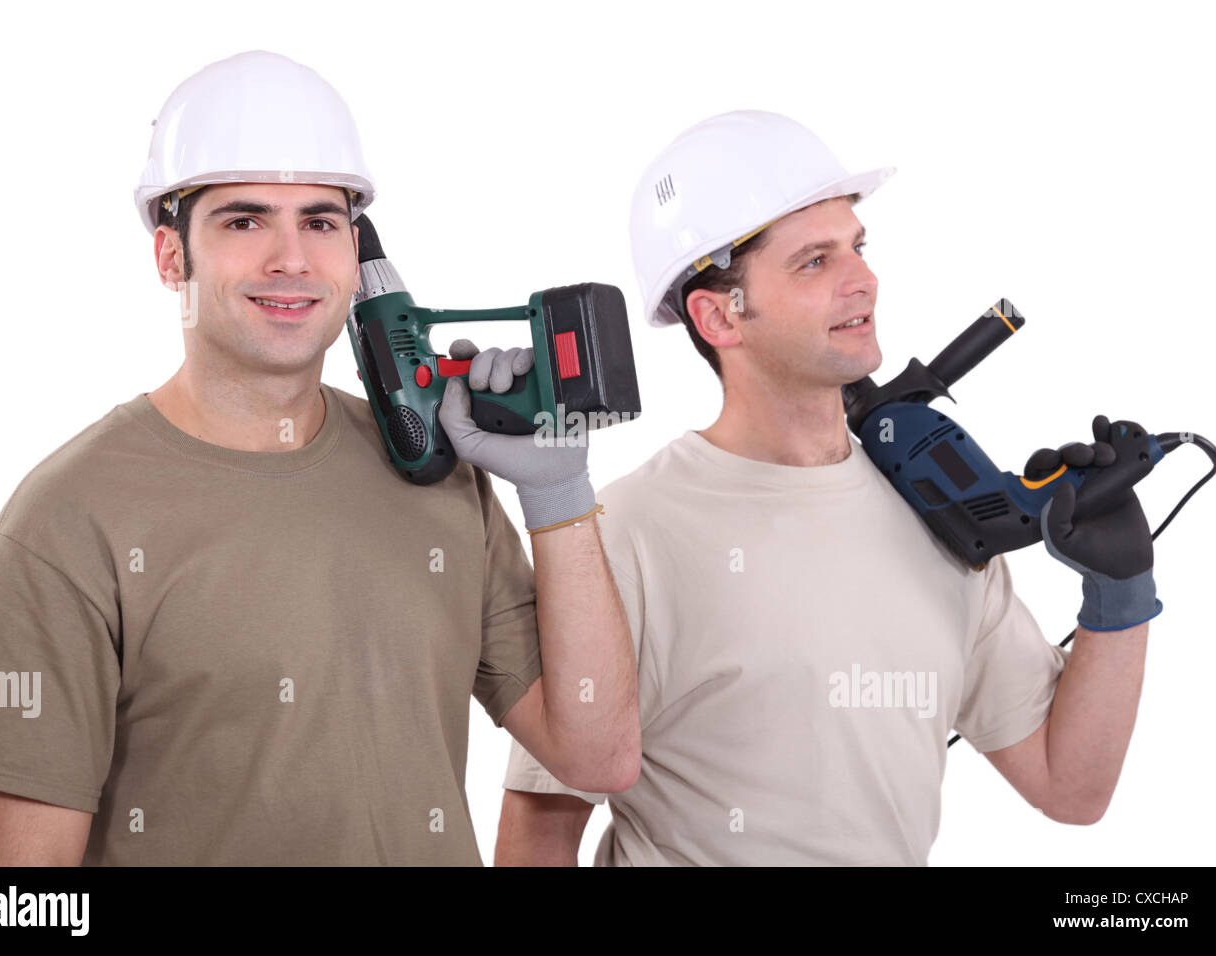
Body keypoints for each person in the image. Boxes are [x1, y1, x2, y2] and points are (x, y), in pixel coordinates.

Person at [0, 50, 638, 865]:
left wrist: (558, 491)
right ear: (172, 259)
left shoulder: (442, 477)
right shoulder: (67, 520)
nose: (292, 260)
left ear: (354, 250)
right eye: (244, 220)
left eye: (319, 220)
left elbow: (600, 755)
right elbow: (20, 901)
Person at [496, 110, 1159, 866]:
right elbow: (540, 826)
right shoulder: (624, 532)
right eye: (815, 261)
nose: (863, 279)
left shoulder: (935, 509)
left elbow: (1068, 787)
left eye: (858, 247)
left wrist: (1122, 595)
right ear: (719, 315)